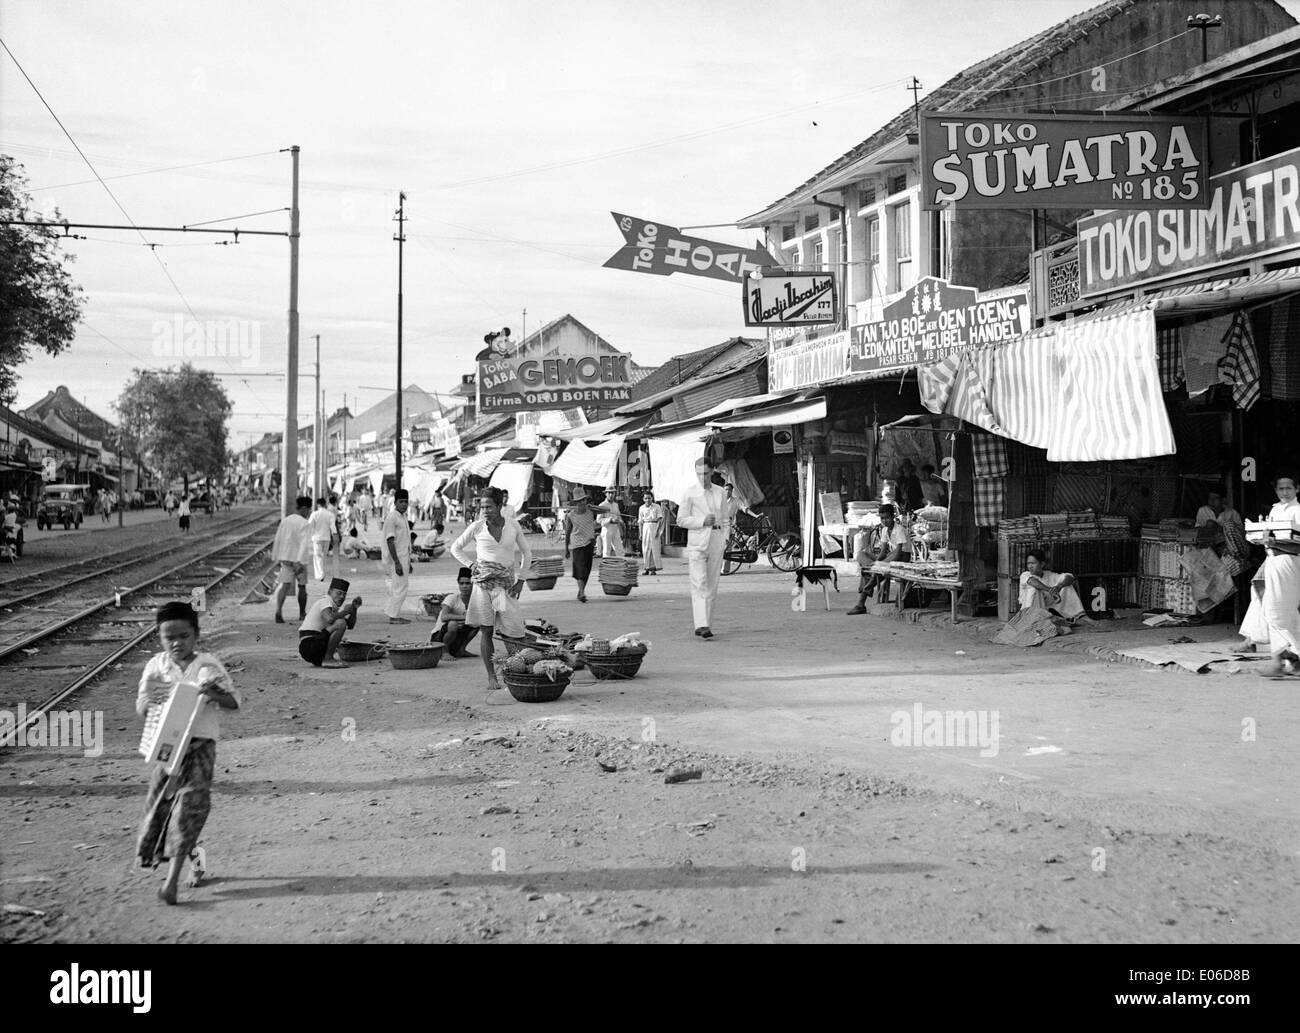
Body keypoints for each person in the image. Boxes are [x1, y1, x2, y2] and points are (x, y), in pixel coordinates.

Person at [135, 600, 240, 905]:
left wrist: (213, 692)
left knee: (189, 810)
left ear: (196, 635)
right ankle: (198, 861)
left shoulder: (207, 665)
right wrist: (149, 701)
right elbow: (141, 706)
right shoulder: (156, 667)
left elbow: (234, 703)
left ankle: (171, 886)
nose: (176, 643)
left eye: (183, 636)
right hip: (166, 751)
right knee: (164, 812)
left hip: (200, 748)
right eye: (169, 637)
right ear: (159, 637)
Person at [450, 488, 531, 692]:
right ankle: (491, 677)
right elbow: (455, 548)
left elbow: (527, 552)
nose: (485, 510)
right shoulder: (477, 528)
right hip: (483, 586)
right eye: (482, 506)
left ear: (499, 506)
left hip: (502, 587)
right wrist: (470, 565)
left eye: (489, 506)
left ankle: (516, 672)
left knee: (512, 631)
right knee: (486, 630)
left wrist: (521, 579)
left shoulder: (512, 526)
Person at [678, 457, 729, 639]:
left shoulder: (720, 492)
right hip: (697, 541)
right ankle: (701, 624)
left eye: (706, 474)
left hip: (716, 539)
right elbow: (681, 519)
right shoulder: (689, 493)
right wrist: (701, 521)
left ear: (712, 471)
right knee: (699, 582)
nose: (702, 478)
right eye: (699, 474)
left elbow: (725, 518)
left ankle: (707, 623)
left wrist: (725, 538)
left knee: (712, 584)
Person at [1256, 472, 1300, 678]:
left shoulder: (1298, 511)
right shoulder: (1274, 510)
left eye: (1288, 488)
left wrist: (1276, 543)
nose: (1284, 492)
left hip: (1288, 561)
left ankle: (1288, 657)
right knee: (1280, 613)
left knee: (1277, 612)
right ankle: (1287, 659)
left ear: (1297, 489)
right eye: (1281, 489)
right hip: (1273, 560)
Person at [847, 504, 910, 615]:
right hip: (891, 555)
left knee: (876, 570)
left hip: (902, 556)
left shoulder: (899, 529)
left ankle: (861, 602)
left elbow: (898, 553)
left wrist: (880, 565)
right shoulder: (885, 530)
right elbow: (883, 551)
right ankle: (871, 570)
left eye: (887, 518)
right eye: (882, 518)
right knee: (861, 554)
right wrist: (878, 562)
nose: (884, 521)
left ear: (893, 516)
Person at [298, 577, 362, 668]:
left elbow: (350, 625)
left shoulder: (334, 608)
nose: (342, 597)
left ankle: (326, 659)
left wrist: (354, 609)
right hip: (309, 646)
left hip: (317, 649)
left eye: (344, 595)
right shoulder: (325, 601)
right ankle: (328, 659)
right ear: (330, 592)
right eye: (338, 593)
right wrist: (346, 611)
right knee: (340, 623)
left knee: (341, 623)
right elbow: (330, 619)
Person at [272, 496, 313, 624]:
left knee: (284, 585)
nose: (310, 512)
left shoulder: (286, 520)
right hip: (298, 561)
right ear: (305, 508)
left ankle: (278, 611)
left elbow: (278, 538)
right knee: (302, 586)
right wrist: (299, 561)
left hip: (286, 559)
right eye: (309, 510)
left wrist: (277, 556)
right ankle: (302, 613)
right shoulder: (304, 523)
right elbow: (303, 543)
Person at [1018, 549, 1086, 620]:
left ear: (1042, 564)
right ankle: (1031, 620)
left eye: (1033, 563)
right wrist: (1050, 590)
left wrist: (1059, 586)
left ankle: (1079, 616)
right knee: (1034, 589)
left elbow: (1070, 577)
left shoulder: (1049, 575)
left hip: (1047, 609)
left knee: (1066, 586)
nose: (1030, 566)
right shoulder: (1025, 575)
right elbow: (1033, 581)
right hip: (1029, 612)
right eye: (1028, 563)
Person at [430, 566, 477, 659]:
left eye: (468, 583)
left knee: (477, 624)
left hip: (458, 636)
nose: (464, 586)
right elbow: (444, 617)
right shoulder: (452, 598)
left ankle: (461, 650)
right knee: (452, 624)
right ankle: (444, 652)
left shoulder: (475, 600)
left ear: (473, 584)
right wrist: (465, 618)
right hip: (439, 638)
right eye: (461, 583)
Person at [382, 488, 413, 623]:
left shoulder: (403, 517)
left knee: (399, 586)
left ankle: (392, 613)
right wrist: (397, 562)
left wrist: (408, 562)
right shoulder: (392, 517)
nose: (404, 504)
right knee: (400, 588)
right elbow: (390, 540)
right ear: (395, 502)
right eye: (401, 502)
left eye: (406, 502)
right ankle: (394, 617)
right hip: (397, 558)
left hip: (404, 557)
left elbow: (405, 541)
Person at [564, 492, 598, 602]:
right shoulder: (571, 516)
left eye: (584, 500)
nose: (583, 503)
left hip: (589, 543)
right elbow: (568, 532)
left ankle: (581, 591)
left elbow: (606, 509)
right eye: (580, 501)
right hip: (577, 545)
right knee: (580, 569)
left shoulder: (590, 512)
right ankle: (582, 593)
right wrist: (566, 549)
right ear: (576, 503)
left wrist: (594, 507)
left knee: (587, 570)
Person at [638, 490, 665, 575]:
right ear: (643, 499)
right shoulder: (641, 508)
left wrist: (658, 530)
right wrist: (640, 533)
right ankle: (646, 568)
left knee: (654, 548)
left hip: (654, 526)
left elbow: (660, 519)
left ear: (652, 498)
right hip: (645, 526)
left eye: (649, 498)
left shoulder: (657, 507)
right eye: (646, 498)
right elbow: (640, 522)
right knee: (645, 548)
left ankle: (653, 568)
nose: (647, 500)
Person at [308, 498, 334, 582]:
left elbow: (309, 526)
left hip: (317, 538)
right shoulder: (330, 514)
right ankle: (322, 573)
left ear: (318, 505)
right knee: (324, 556)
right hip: (327, 538)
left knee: (317, 556)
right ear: (325, 504)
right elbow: (333, 527)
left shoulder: (314, 514)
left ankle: (320, 574)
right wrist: (334, 536)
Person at [597, 491, 625, 558]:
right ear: (606, 494)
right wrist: (610, 520)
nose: (611, 495)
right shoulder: (602, 505)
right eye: (609, 493)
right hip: (607, 528)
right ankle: (606, 567)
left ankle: (620, 566)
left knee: (620, 549)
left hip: (615, 528)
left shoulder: (616, 505)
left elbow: (618, 516)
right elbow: (599, 520)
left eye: (612, 493)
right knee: (607, 550)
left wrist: (621, 522)